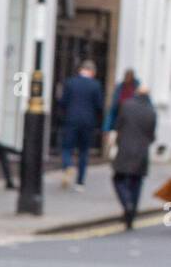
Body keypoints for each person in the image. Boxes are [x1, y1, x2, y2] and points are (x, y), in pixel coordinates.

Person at [110, 84, 157, 231]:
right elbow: (152, 136)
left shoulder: (127, 105)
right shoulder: (152, 112)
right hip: (142, 153)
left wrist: (117, 142)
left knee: (118, 179)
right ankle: (131, 215)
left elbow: (118, 125)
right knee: (136, 184)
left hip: (125, 149)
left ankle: (127, 203)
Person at [56, 59, 103, 191]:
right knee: (84, 151)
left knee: (67, 148)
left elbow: (63, 102)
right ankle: (80, 182)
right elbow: (99, 106)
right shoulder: (96, 85)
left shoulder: (70, 82)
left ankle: (68, 165)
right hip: (88, 122)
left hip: (71, 120)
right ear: (92, 72)